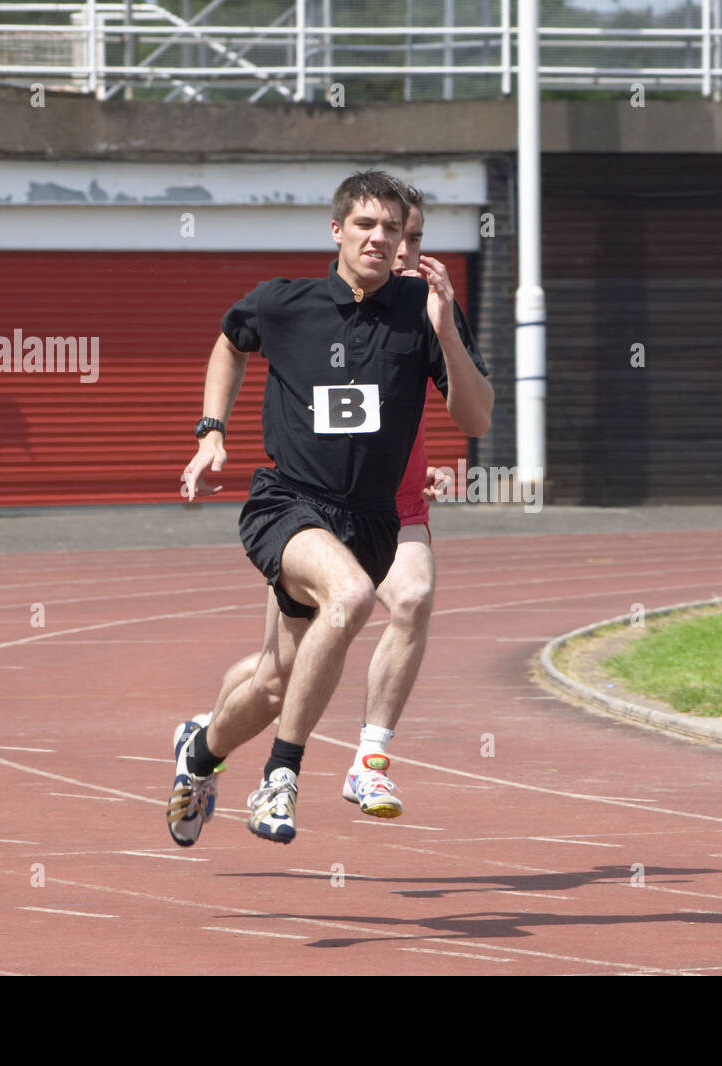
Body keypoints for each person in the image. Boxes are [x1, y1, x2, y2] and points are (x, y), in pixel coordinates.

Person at [167, 170, 492, 847]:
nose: (380, 239)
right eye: (366, 225)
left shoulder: (421, 309)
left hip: (370, 521)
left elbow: (477, 418)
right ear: (338, 230)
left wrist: (447, 332)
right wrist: (211, 432)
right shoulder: (287, 304)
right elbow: (231, 340)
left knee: (273, 688)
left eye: (393, 229)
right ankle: (281, 777)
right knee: (350, 598)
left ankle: (198, 755)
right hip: (288, 503)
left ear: (406, 239)